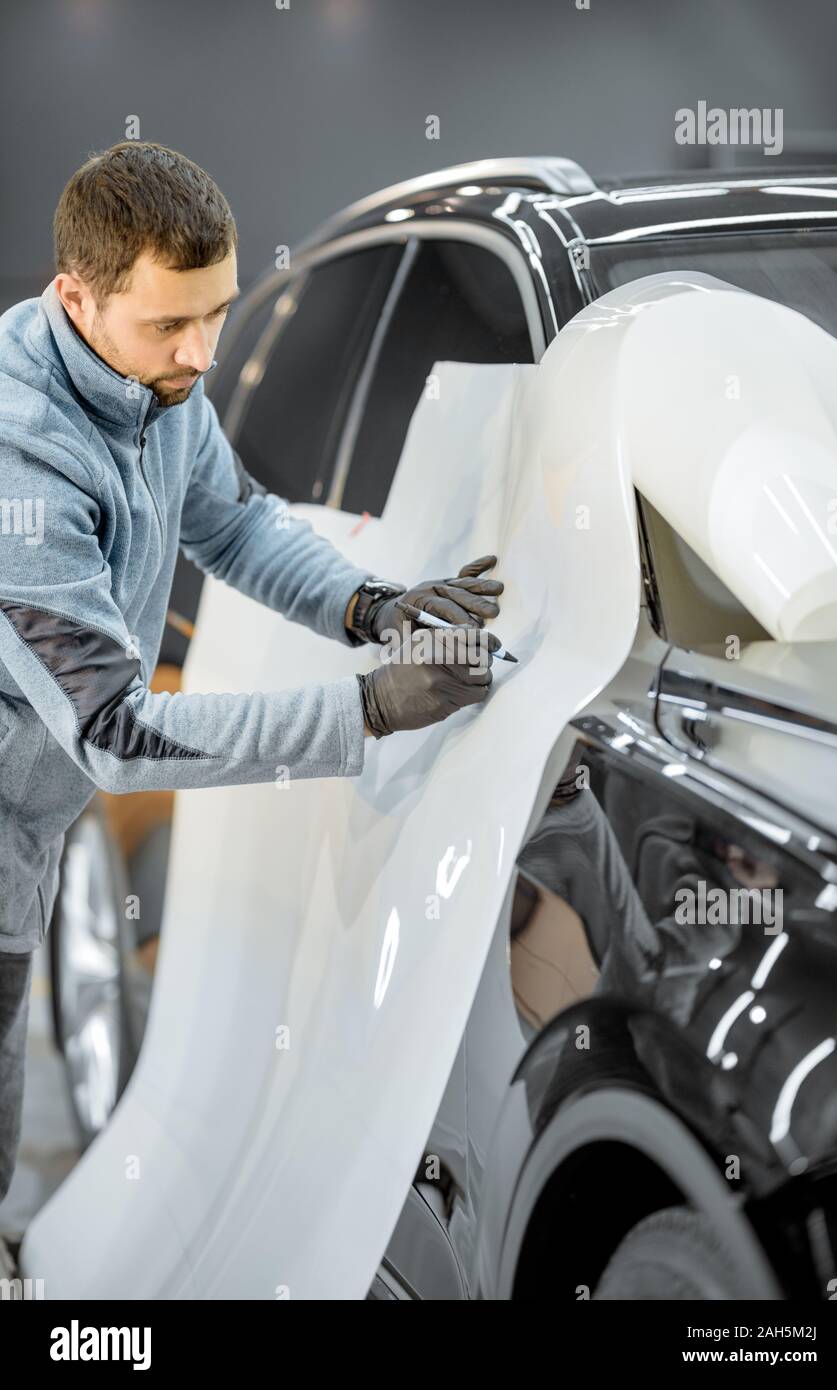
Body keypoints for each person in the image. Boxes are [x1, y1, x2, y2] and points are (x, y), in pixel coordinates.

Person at [0, 142, 503, 1220]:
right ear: (75, 299)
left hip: (25, 821)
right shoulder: (22, 464)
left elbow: (231, 518)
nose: (204, 352)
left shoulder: (155, 387)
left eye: (218, 312)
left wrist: (373, 606)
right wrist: (367, 707)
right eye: (169, 325)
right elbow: (115, 734)